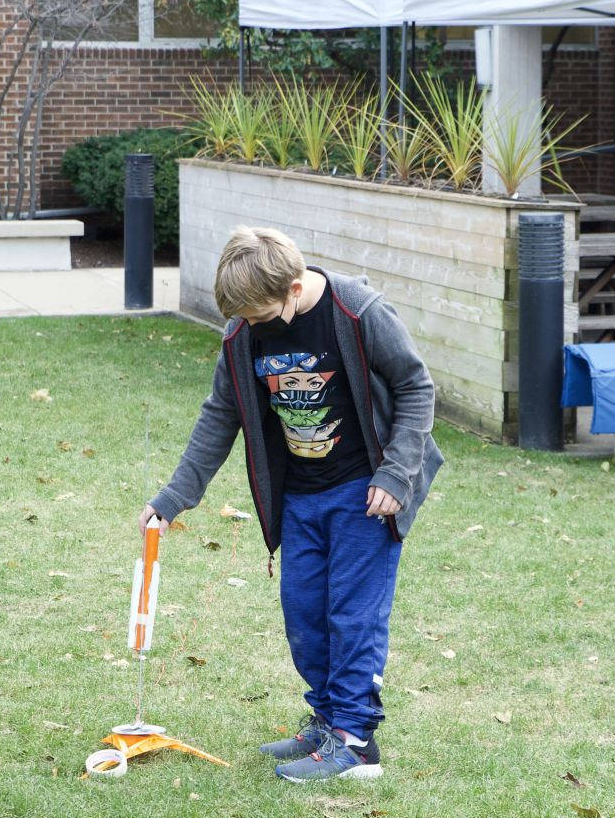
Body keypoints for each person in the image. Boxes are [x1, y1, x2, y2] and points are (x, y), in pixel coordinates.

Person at [139, 225, 443, 782]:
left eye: (257, 315)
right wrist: (172, 499)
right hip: (300, 497)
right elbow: (219, 416)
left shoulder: (358, 311)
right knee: (304, 614)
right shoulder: (242, 334)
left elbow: (416, 387)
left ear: (295, 288)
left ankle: (355, 742)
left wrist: (397, 475)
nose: (247, 326)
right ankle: (326, 721)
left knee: (353, 615)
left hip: (366, 493)